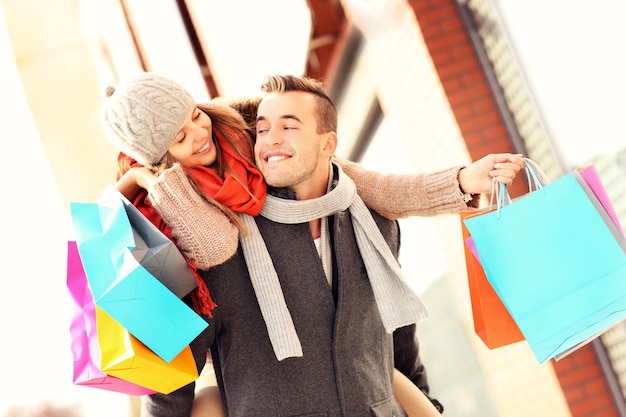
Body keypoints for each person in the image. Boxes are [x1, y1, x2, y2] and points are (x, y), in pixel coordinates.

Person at [100, 73, 524, 417]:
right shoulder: (204, 250)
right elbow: (173, 368)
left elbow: (396, 336)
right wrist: (140, 182)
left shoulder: (368, 219)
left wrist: (464, 181)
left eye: (289, 126)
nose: (272, 139)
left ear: (328, 144)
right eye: (264, 130)